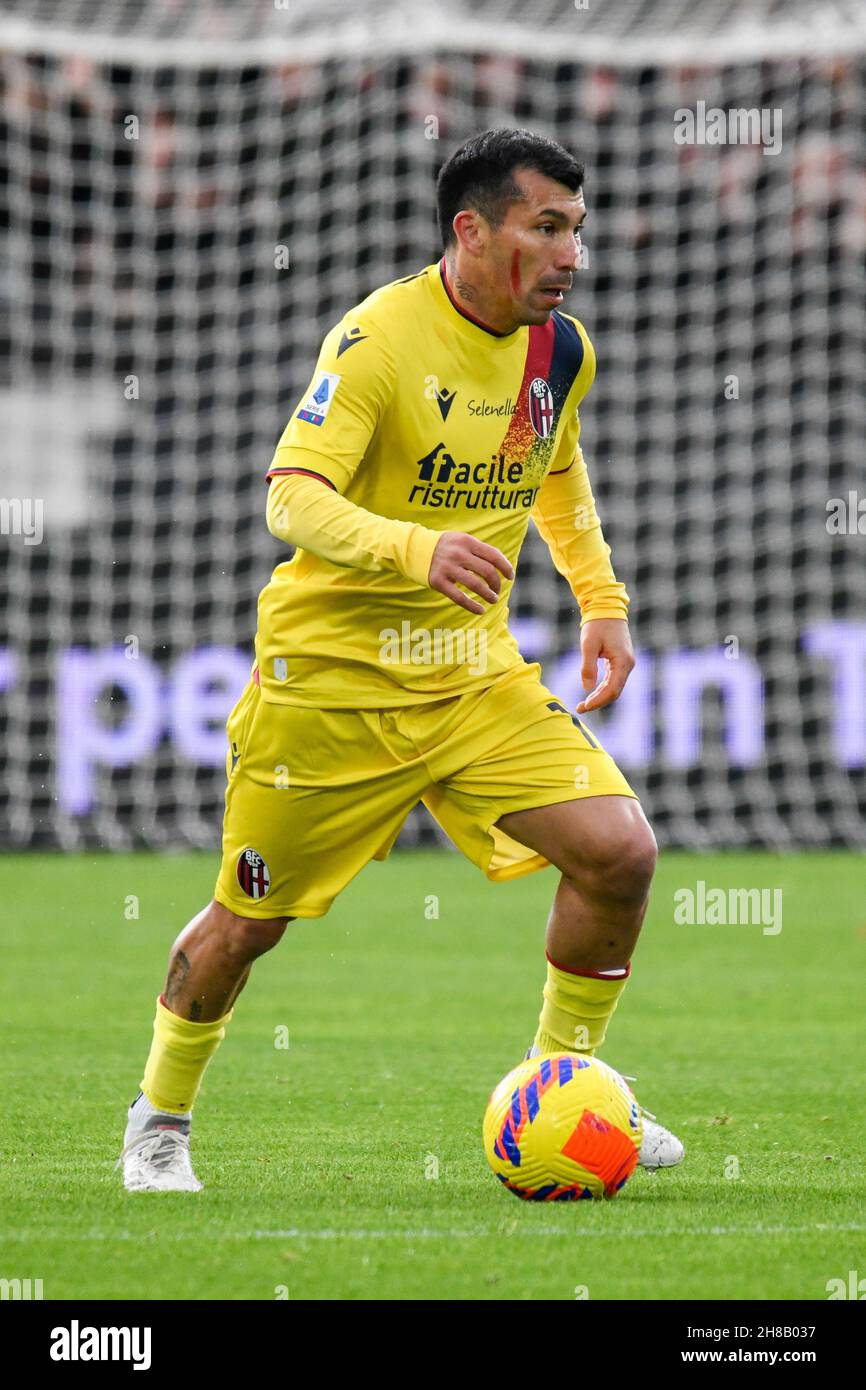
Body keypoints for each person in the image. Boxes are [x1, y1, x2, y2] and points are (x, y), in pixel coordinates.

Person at [117, 127, 683, 1192]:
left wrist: (599, 601)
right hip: (327, 688)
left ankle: (560, 1084)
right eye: (546, 228)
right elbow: (290, 495)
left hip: (470, 676)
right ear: (471, 232)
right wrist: (414, 547)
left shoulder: (558, 348)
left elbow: (552, 465)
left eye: (577, 229)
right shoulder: (377, 339)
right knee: (247, 921)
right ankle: (159, 1123)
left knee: (618, 852)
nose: (571, 255)